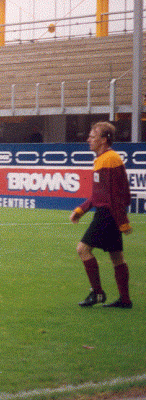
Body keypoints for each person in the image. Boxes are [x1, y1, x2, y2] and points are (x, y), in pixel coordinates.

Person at [70, 121, 133, 309]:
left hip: (108, 214)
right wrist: (81, 210)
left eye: (93, 136)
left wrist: (122, 221)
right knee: (117, 257)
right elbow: (99, 194)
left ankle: (97, 293)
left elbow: (115, 194)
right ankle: (125, 300)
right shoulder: (103, 159)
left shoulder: (110, 159)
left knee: (83, 249)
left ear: (104, 140)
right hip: (108, 212)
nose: (88, 139)